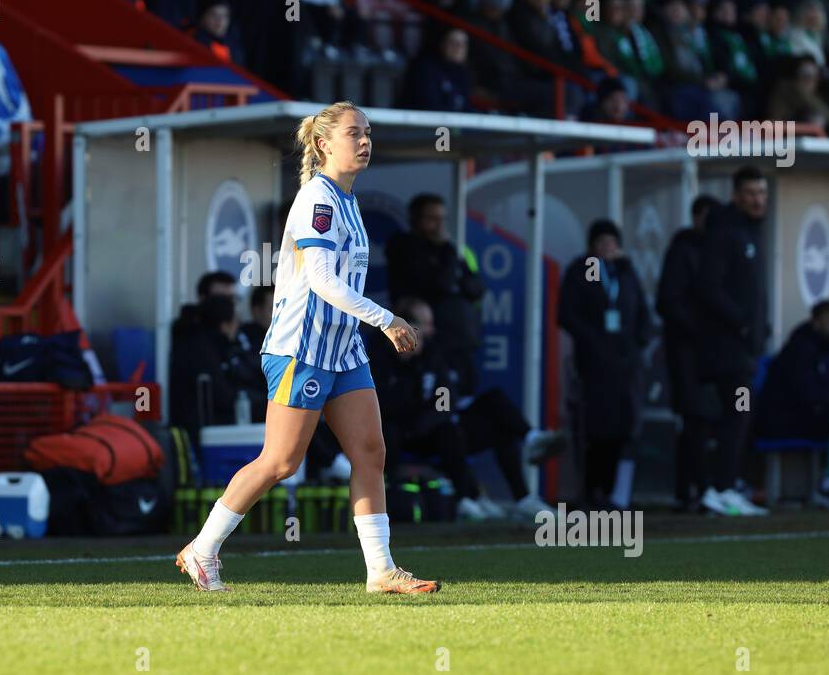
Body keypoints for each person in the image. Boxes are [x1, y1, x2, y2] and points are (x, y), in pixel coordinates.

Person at [175, 101, 439, 594]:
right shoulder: (317, 198)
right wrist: (385, 319)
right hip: (303, 347)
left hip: (343, 349)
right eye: (353, 133)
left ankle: (380, 570)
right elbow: (319, 280)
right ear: (322, 144)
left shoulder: (349, 200)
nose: (364, 141)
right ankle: (202, 548)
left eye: (368, 133)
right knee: (280, 462)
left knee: (370, 452)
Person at [370, 297, 565, 522]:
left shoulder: (432, 354)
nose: (431, 330)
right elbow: (384, 405)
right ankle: (466, 498)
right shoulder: (380, 357)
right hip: (403, 435)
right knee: (447, 431)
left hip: (433, 427)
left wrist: (436, 412)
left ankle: (526, 476)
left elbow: (444, 397)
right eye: (426, 323)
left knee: (494, 410)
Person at [557, 219, 652, 510]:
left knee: (623, 428)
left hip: (625, 366)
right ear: (591, 246)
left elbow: (642, 312)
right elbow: (566, 314)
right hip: (594, 366)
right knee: (593, 429)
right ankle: (589, 492)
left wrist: (637, 342)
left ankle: (615, 494)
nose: (608, 248)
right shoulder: (580, 271)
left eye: (612, 242)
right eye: (602, 243)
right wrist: (594, 341)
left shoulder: (626, 272)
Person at [695, 165, 771, 516]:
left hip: (744, 349)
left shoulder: (751, 233)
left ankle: (724, 485)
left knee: (738, 416)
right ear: (736, 196)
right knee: (736, 415)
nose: (759, 200)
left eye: (762, 193)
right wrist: (741, 323)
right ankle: (719, 488)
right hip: (729, 352)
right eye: (752, 194)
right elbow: (709, 288)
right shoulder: (726, 234)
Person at [758, 300, 829, 506]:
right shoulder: (799, 349)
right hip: (785, 417)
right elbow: (806, 393)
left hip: (811, 413)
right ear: (816, 323)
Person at [386, 193, 484, 393]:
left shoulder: (449, 250)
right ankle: (441, 421)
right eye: (432, 219)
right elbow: (442, 284)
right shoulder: (405, 246)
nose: (439, 225)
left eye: (442, 219)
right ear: (416, 219)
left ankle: (450, 421)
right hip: (433, 340)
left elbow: (476, 288)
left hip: (461, 338)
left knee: (466, 391)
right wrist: (447, 253)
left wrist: (451, 261)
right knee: (442, 394)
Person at [657, 194, 718, 511]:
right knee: (694, 416)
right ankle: (698, 488)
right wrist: (700, 329)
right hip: (688, 351)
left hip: (710, 351)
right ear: (696, 217)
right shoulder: (682, 252)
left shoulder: (718, 251)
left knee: (702, 419)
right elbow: (667, 301)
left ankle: (692, 490)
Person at [168, 294, 267, 448]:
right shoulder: (204, 350)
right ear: (225, 325)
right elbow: (224, 397)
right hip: (206, 425)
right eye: (236, 321)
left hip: (208, 419)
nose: (238, 326)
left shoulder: (200, 343)